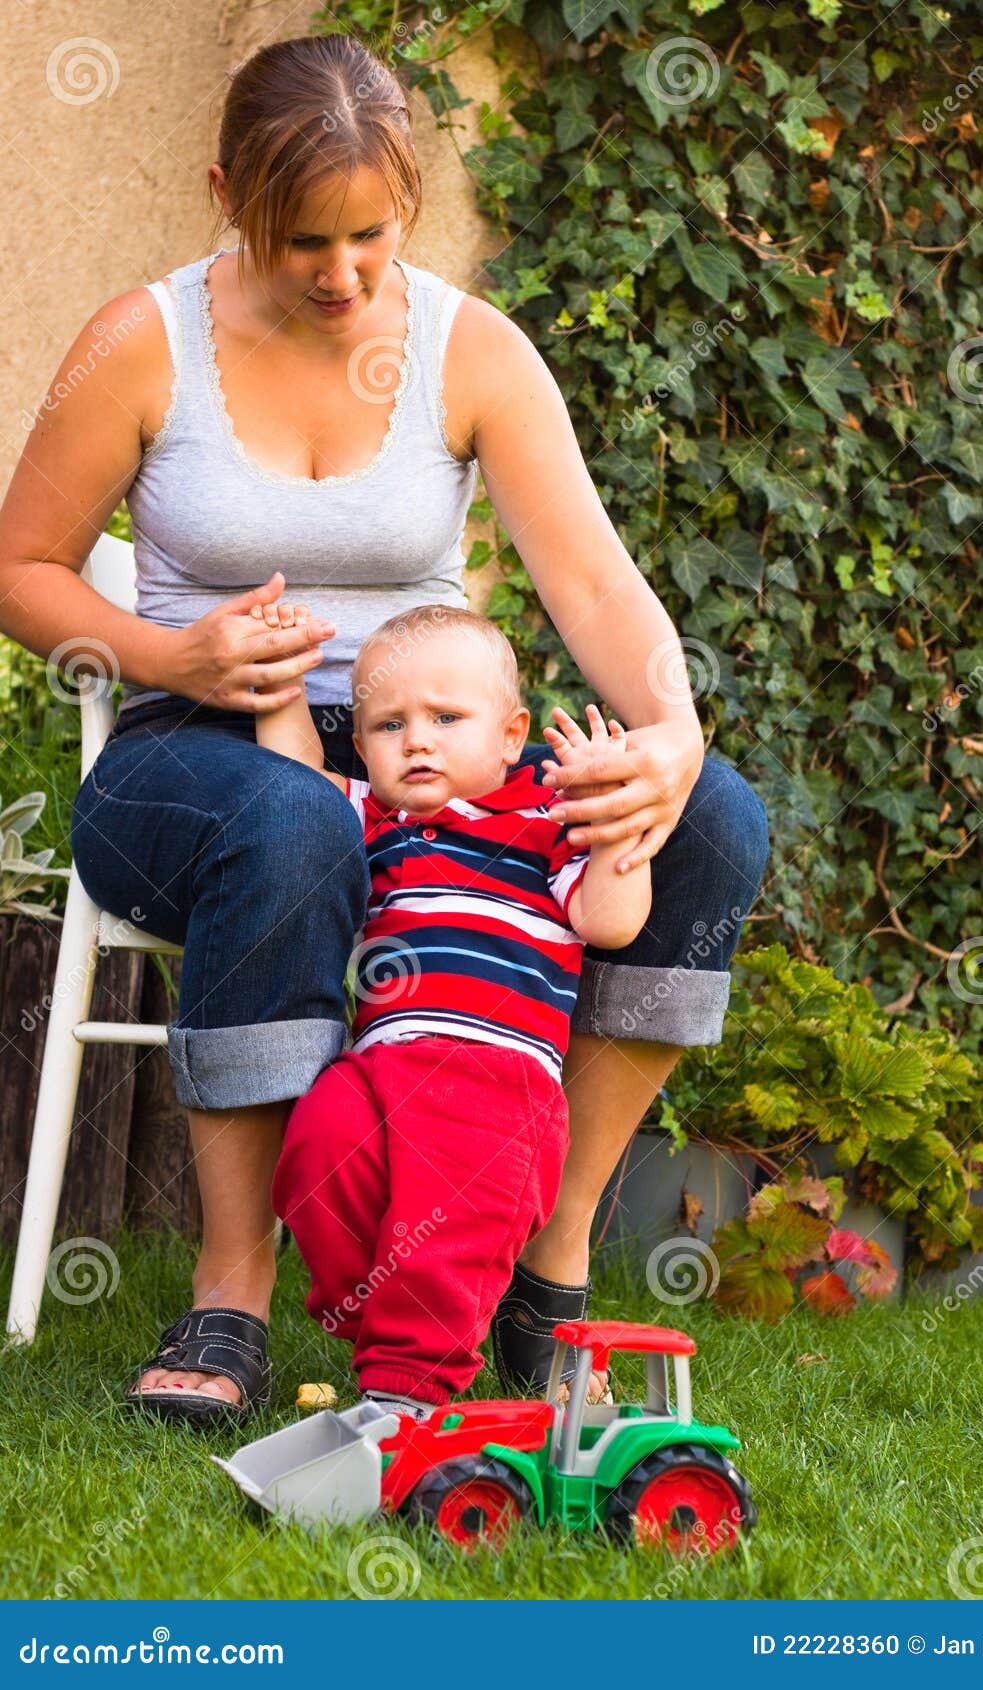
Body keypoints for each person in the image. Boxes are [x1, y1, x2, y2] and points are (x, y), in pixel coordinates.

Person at [0, 32, 768, 1423]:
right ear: (227, 194)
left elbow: (593, 584)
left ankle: (543, 1261)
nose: (343, 275)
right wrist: (178, 651)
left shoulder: (470, 351)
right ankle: (231, 1290)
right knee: (292, 816)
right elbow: (21, 569)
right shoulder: (142, 340)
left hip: (430, 751)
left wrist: (670, 729)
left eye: (371, 234)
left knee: (709, 818)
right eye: (304, 240)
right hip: (190, 746)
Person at [254, 597, 650, 1417]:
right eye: (388, 725)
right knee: (317, 1151)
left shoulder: (548, 818)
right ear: (362, 744)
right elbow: (294, 782)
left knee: (453, 1224)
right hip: (378, 1062)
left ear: (511, 736)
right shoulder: (375, 820)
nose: (417, 740)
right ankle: (378, 1309)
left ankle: (407, 1387)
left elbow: (610, 921)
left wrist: (612, 818)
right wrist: (280, 684)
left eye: (445, 718)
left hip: (495, 1074)